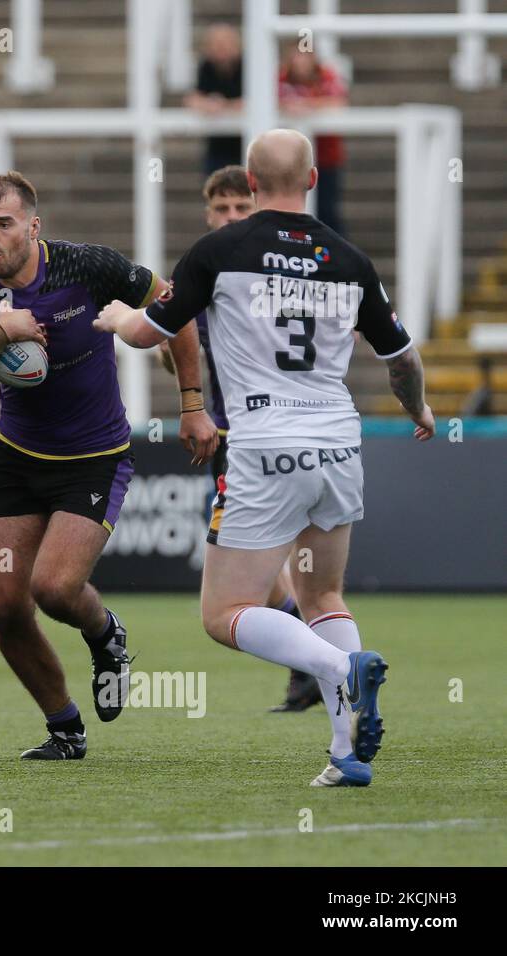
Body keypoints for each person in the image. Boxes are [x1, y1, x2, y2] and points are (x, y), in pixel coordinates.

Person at [95, 129, 434, 787]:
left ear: (249, 186)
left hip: (265, 446)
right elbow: (403, 360)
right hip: (338, 442)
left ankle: (341, 672)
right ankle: (347, 755)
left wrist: (114, 318)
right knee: (323, 592)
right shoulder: (349, 259)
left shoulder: (219, 251)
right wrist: (419, 410)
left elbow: (149, 333)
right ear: (312, 180)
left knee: (224, 614)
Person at [0, 171, 218, 761]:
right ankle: (64, 728)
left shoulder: (88, 266)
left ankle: (106, 634)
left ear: (33, 226)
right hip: (15, 458)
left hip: (94, 458)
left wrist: (191, 406)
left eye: (3, 223)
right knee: (6, 609)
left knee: (55, 589)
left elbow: (177, 310)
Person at [158, 165, 321, 713]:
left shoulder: (269, 271)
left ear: (258, 208)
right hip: (231, 433)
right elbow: (173, 345)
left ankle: (317, 657)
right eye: (222, 210)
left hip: (268, 430)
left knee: (253, 568)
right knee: (273, 562)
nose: (230, 218)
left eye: (240, 209)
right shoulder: (205, 270)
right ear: (209, 214)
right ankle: (313, 660)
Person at [280, 49, 348, 235]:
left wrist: (306, 104)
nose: (302, 62)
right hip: (288, 160)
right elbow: (265, 100)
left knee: (326, 210)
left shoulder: (326, 76)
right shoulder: (280, 78)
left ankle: (334, 254)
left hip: (324, 157)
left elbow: (338, 102)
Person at [185, 24, 244, 176]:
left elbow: (259, 100)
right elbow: (193, 98)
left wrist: (223, 105)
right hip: (217, 146)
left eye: (224, 43)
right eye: (215, 44)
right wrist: (208, 104)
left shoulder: (250, 66)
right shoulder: (206, 66)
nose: (220, 48)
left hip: (247, 145)